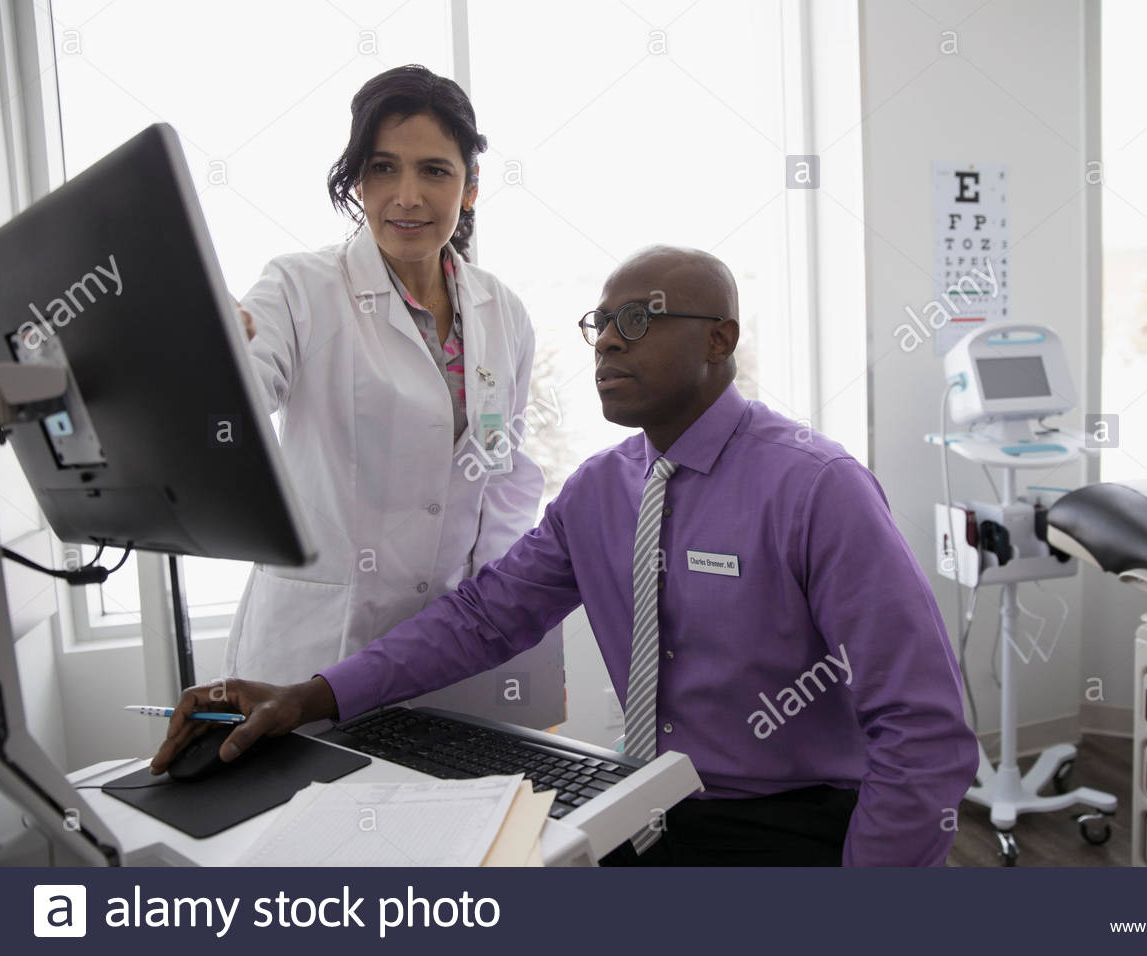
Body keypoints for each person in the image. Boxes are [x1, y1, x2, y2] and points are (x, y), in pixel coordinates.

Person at [155, 246, 979, 867]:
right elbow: (483, 619)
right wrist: (307, 698)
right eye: (600, 325)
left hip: (797, 820)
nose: (608, 344)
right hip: (645, 806)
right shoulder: (601, 491)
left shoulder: (815, 487)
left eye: (640, 321)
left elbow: (926, 730)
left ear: (720, 340)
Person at [221, 65, 544, 685]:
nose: (407, 197)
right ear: (359, 180)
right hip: (317, 643)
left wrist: (504, 621)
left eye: (434, 170)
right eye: (383, 167)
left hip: (448, 642)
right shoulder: (299, 287)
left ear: (470, 186)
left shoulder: (501, 311)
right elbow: (242, 399)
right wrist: (218, 355)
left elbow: (503, 474)